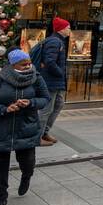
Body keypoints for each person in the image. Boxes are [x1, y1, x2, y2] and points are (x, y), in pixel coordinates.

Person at [0, 48, 50, 205]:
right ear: (13, 65)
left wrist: (30, 102)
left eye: (29, 63)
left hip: (27, 126)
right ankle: (1, 198)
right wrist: (4, 109)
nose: (28, 66)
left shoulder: (36, 78)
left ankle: (26, 177)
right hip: (2, 128)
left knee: (27, 162)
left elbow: (45, 99)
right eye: (23, 64)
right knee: (0, 166)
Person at [38, 16, 71, 145]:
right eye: (68, 28)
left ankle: (45, 132)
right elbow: (49, 62)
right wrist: (60, 73)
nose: (69, 30)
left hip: (55, 82)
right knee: (47, 109)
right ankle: (38, 136)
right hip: (51, 81)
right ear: (61, 29)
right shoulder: (54, 42)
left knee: (58, 105)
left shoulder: (58, 41)